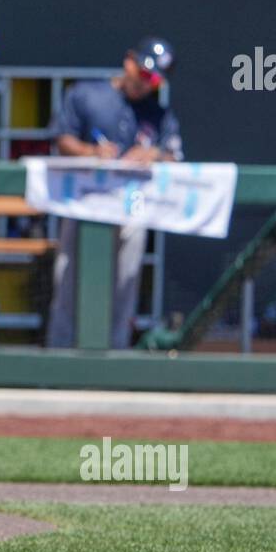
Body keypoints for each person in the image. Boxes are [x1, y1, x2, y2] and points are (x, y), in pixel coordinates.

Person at [45, 37, 181, 349]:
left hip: (132, 205)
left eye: (155, 80)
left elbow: (174, 153)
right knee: (68, 277)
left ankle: (114, 353)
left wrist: (154, 155)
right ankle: (59, 353)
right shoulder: (87, 93)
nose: (147, 84)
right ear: (129, 62)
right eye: (144, 74)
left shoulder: (158, 113)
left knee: (126, 280)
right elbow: (61, 138)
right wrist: (92, 151)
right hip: (83, 199)